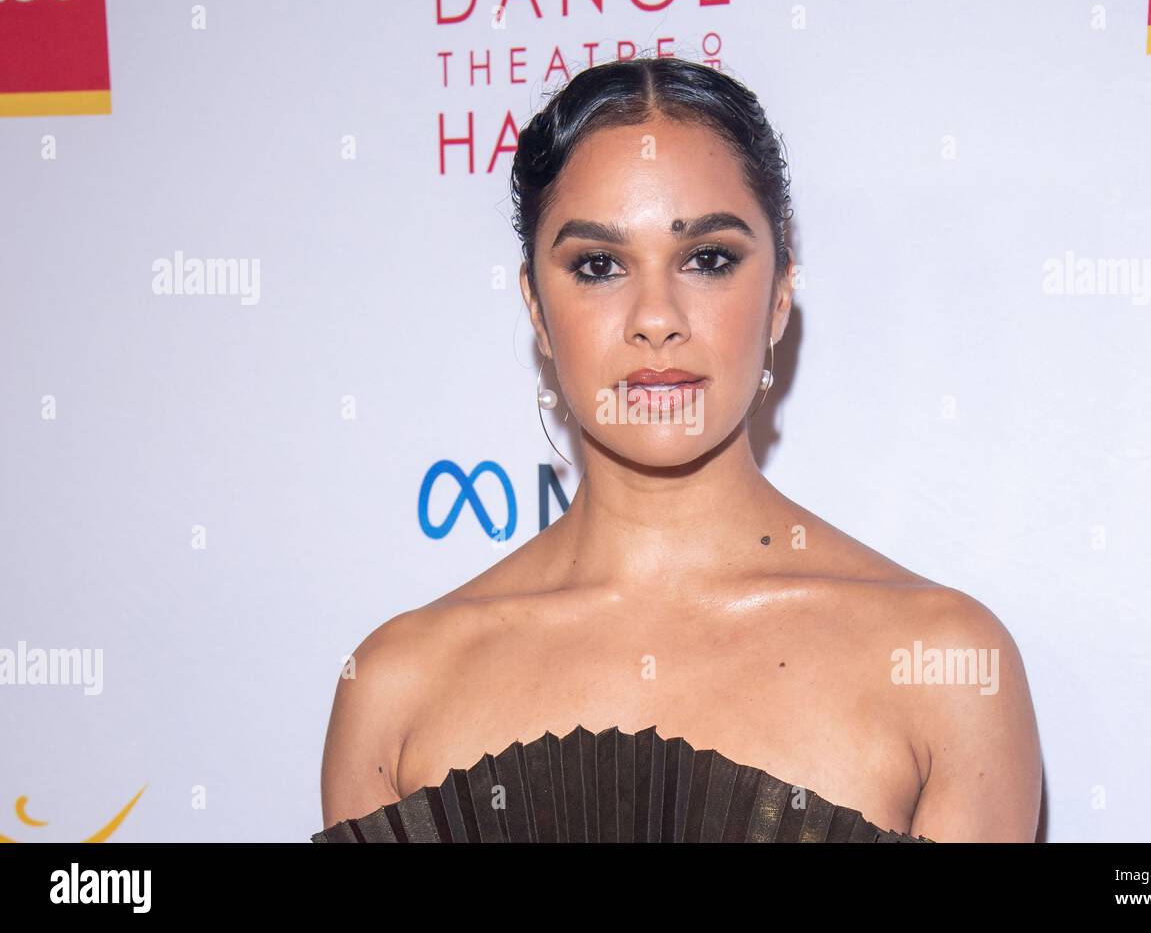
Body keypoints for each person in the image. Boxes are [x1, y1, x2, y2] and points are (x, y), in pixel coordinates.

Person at [318, 55, 1043, 842]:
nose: (655, 316)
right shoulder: (397, 690)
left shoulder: (943, 667)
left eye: (708, 259)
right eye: (598, 265)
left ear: (779, 298)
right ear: (536, 305)